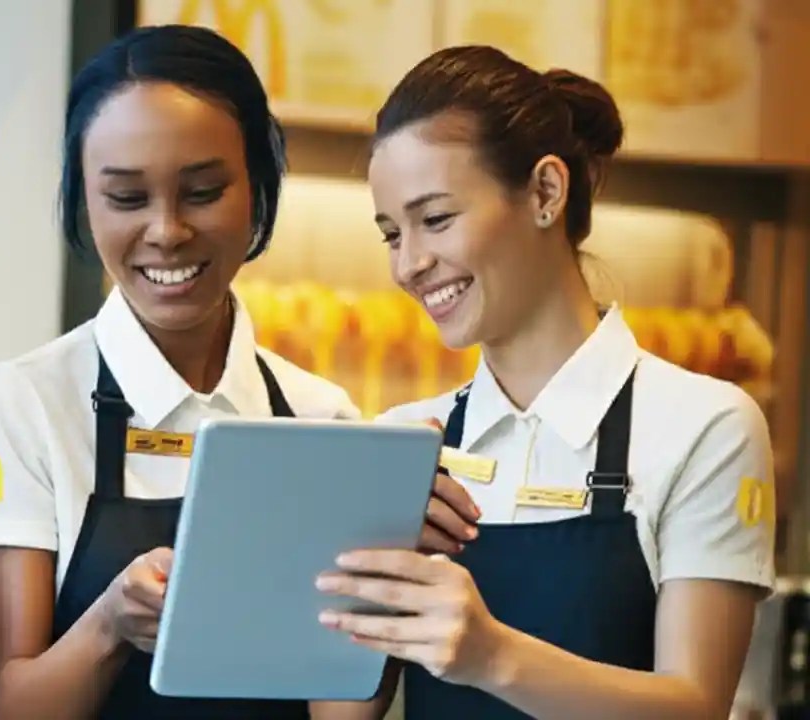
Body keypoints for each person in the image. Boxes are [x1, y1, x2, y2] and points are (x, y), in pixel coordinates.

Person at [0, 24, 479, 720]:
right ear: (84, 199)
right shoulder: (25, 405)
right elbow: (11, 708)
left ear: (258, 187)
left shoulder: (325, 420)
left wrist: (386, 578)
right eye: (127, 199)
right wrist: (110, 624)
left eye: (201, 192)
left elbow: (338, 716)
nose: (166, 230)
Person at [315, 45, 775, 719]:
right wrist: (369, 551)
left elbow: (697, 706)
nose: (410, 264)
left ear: (545, 193)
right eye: (391, 234)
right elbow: (340, 716)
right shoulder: (400, 441)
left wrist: (491, 654)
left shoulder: (704, 425)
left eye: (436, 219)